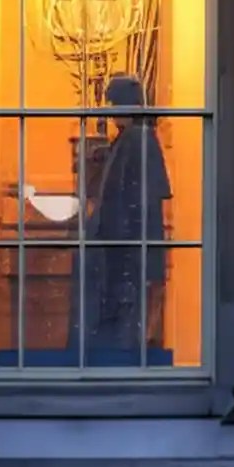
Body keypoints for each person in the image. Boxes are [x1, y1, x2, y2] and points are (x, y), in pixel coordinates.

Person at [68, 74, 172, 363]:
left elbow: (141, 202)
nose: (111, 111)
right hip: (119, 250)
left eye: (115, 103)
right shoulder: (129, 140)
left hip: (126, 253)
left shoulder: (139, 139)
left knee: (125, 322)